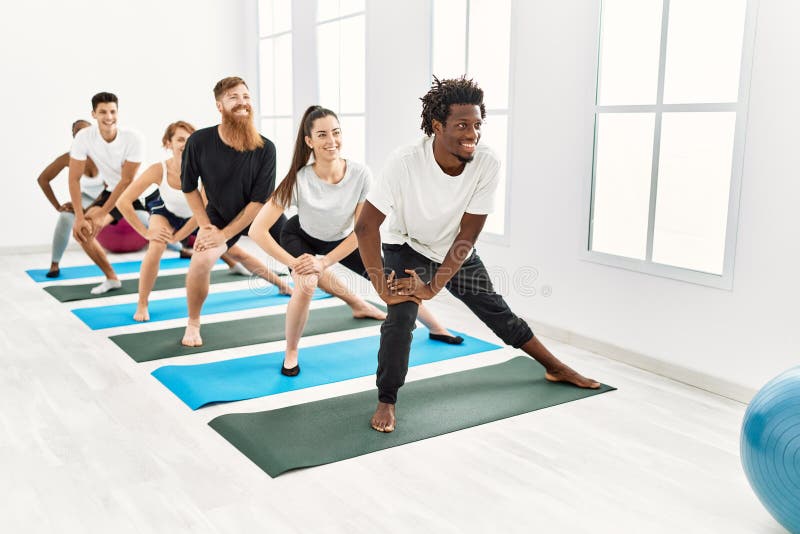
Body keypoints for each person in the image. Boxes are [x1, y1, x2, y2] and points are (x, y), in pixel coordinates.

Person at [355, 76, 601, 433]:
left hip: (453, 247)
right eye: (462, 125)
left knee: (497, 311)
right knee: (400, 319)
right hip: (407, 245)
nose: (472, 134)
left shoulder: (487, 162)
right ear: (437, 126)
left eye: (477, 124)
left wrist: (433, 287)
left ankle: (555, 367)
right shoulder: (405, 161)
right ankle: (386, 399)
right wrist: (381, 287)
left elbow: (468, 234)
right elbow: (366, 226)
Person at [249, 105, 463, 376]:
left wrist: (325, 262)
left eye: (336, 132)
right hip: (301, 236)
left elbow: (363, 230)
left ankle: (436, 327)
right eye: (322, 135)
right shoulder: (297, 179)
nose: (331, 140)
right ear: (309, 141)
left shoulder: (360, 174)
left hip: (344, 239)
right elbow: (257, 230)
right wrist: (295, 263)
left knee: (390, 279)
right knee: (306, 282)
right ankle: (291, 351)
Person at [180, 76, 291, 347]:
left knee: (303, 258)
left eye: (246, 96)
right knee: (200, 263)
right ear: (220, 106)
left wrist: (224, 235)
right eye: (233, 97)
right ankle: (193, 323)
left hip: (261, 215)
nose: (242, 102)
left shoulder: (266, 148)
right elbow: (189, 188)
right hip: (218, 215)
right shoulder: (199, 141)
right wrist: (206, 227)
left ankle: (354, 301)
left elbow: (258, 202)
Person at [67, 92, 147, 294]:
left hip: (140, 191)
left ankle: (232, 258)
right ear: (93, 114)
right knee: (83, 231)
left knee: (180, 232)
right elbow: (74, 178)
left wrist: (103, 213)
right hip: (114, 190)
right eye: (103, 112)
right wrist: (79, 217)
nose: (109, 117)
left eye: (112, 111)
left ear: (118, 113)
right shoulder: (84, 137)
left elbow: (127, 181)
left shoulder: (133, 138)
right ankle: (112, 278)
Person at [37, 120, 105, 277]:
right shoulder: (70, 157)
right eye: (78, 132)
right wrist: (58, 206)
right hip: (87, 198)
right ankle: (54, 264)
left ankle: (166, 245)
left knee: (143, 217)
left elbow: (115, 186)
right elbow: (43, 179)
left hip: (110, 197)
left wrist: (85, 208)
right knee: (65, 217)